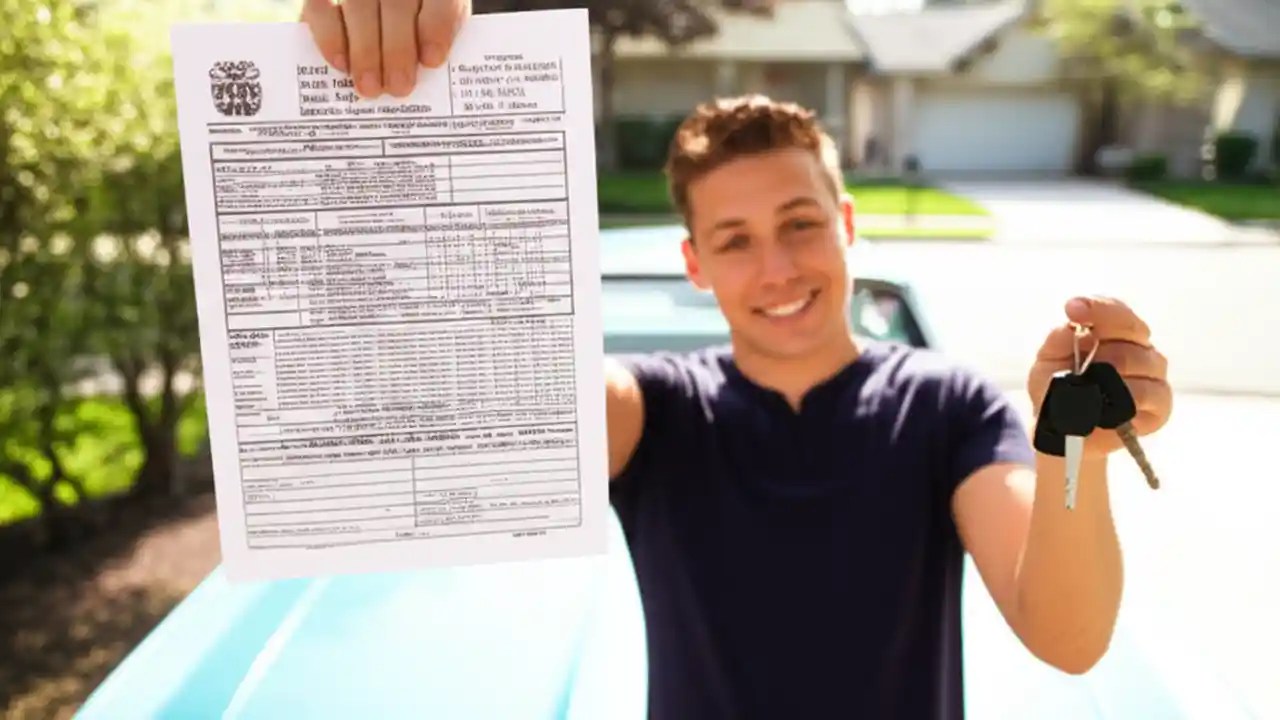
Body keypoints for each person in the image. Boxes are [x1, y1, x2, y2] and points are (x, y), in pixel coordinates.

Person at [301, 3, 1175, 718]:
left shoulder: (947, 407)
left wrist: (1075, 455)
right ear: (695, 266)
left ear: (846, 223)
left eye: (800, 224)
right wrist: (412, 70)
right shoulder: (652, 411)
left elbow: (1068, 637)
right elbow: (467, 365)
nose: (778, 269)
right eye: (734, 240)